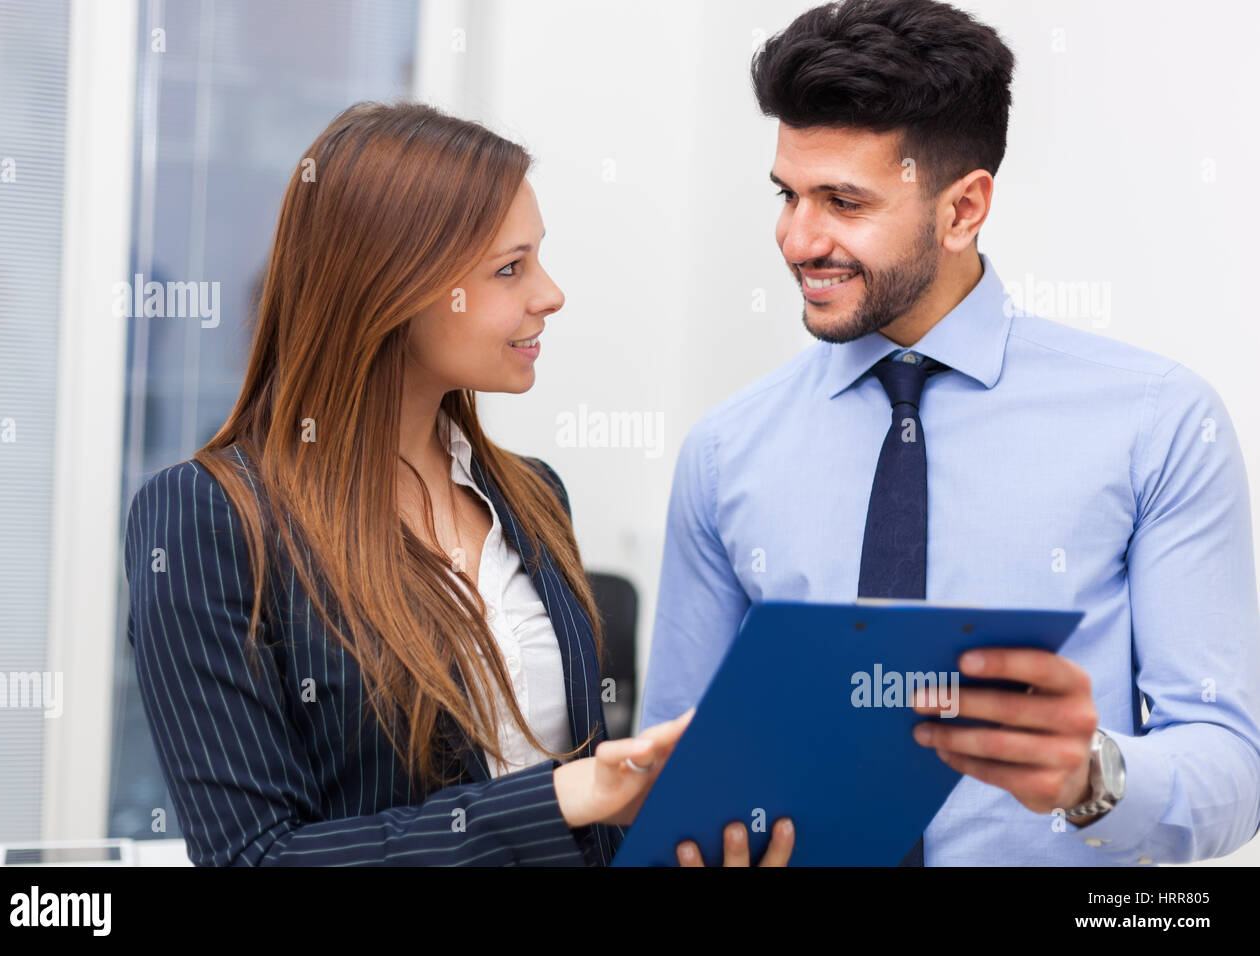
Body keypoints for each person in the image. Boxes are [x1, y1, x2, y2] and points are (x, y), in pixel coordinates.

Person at [640, 0, 1260, 866]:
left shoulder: (1156, 423)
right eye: (787, 194)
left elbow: (1232, 763)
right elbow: (672, 766)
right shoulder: (722, 452)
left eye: (842, 201)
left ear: (963, 209)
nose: (795, 238)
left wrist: (1091, 776)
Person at [124, 101, 793, 866]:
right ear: (395, 287)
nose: (550, 294)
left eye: (538, 258)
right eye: (510, 269)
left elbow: (596, 819)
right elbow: (254, 857)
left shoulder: (534, 498)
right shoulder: (207, 518)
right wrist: (561, 798)